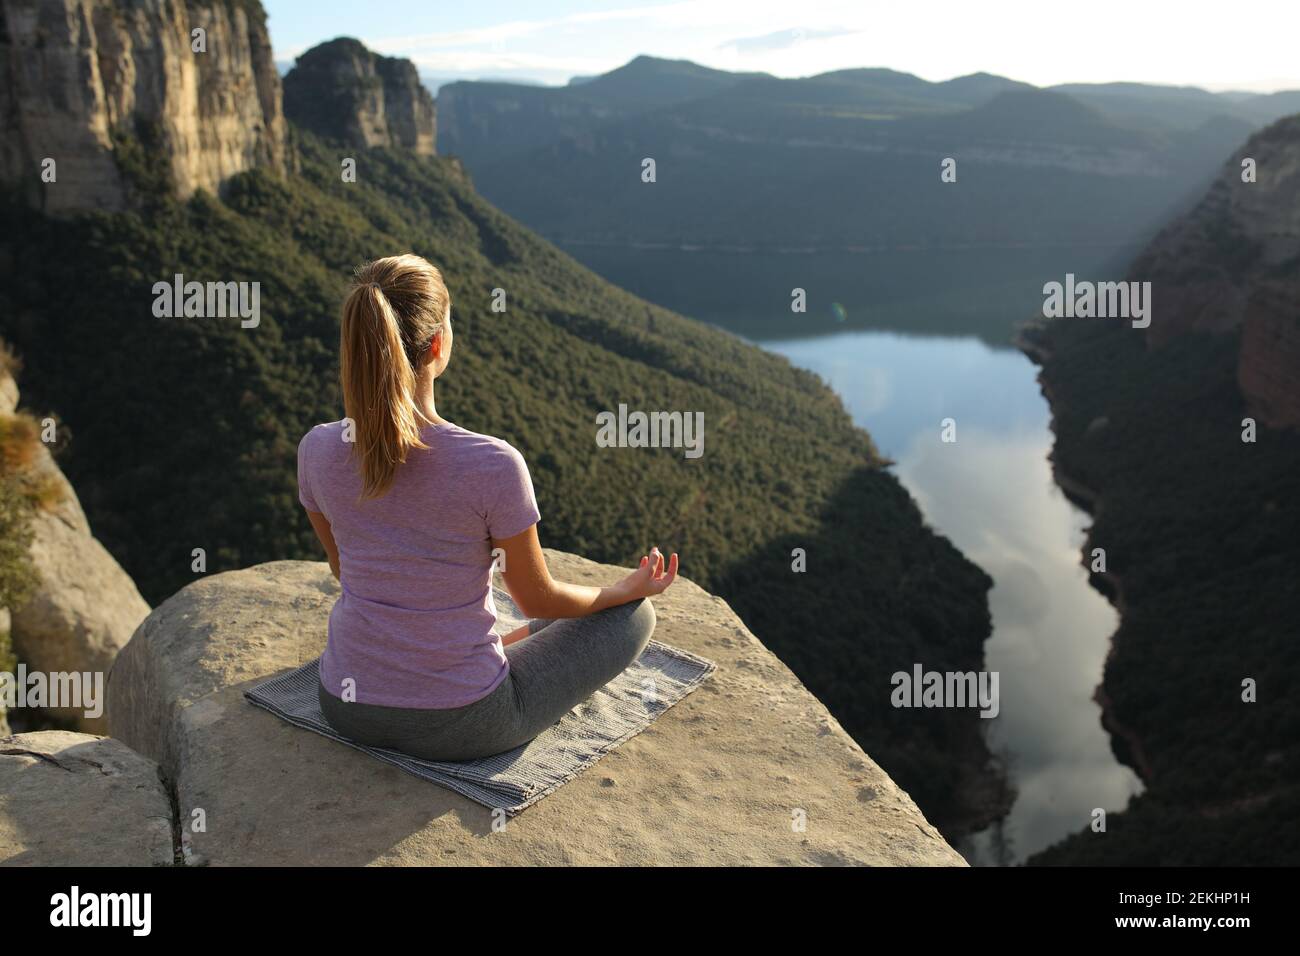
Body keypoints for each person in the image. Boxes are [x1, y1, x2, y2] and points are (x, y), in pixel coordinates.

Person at [298, 254, 678, 761]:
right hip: (464, 722)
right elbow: (537, 598)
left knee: (544, 619)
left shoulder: (317, 449)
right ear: (437, 345)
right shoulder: (491, 463)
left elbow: (345, 568)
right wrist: (622, 589)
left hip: (346, 706)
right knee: (633, 616)